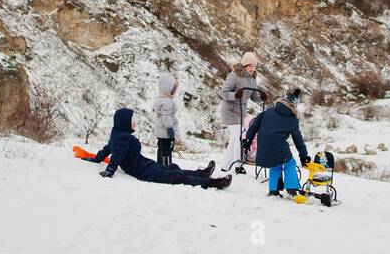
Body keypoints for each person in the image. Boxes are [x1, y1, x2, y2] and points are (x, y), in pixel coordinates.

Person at [86, 108, 227, 189]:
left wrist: (96, 158)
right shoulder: (123, 138)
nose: (134, 123)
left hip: (146, 165)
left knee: (173, 167)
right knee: (177, 176)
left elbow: (107, 149)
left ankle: (201, 174)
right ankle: (211, 183)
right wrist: (110, 170)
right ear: (124, 123)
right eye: (131, 121)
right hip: (144, 172)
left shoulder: (117, 134)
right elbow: (116, 155)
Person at [243, 88, 310, 197]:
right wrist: (304, 156)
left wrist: (248, 140)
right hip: (278, 146)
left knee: (275, 164)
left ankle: (273, 190)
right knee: (289, 163)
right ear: (294, 106)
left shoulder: (268, 111)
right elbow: (298, 139)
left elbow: (254, 125)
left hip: (263, 145)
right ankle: (292, 188)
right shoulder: (292, 120)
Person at [218, 51, 267, 174]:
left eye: (254, 66)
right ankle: (238, 166)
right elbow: (223, 93)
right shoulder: (234, 76)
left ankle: (225, 166)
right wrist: (235, 94)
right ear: (245, 65)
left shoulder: (252, 79)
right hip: (230, 111)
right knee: (240, 137)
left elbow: (253, 96)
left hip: (241, 113)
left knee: (235, 139)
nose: (252, 68)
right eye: (250, 66)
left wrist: (261, 97)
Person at [152, 73, 179, 169]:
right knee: (166, 149)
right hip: (165, 130)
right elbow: (165, 116)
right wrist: (170, 128)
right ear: (169, 89)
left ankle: (160, 165)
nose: (175, 91)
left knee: (161, 147)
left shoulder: (160, 98)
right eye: (174, 89)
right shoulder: (167, 101)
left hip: (160, 129)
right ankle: (166, 168)